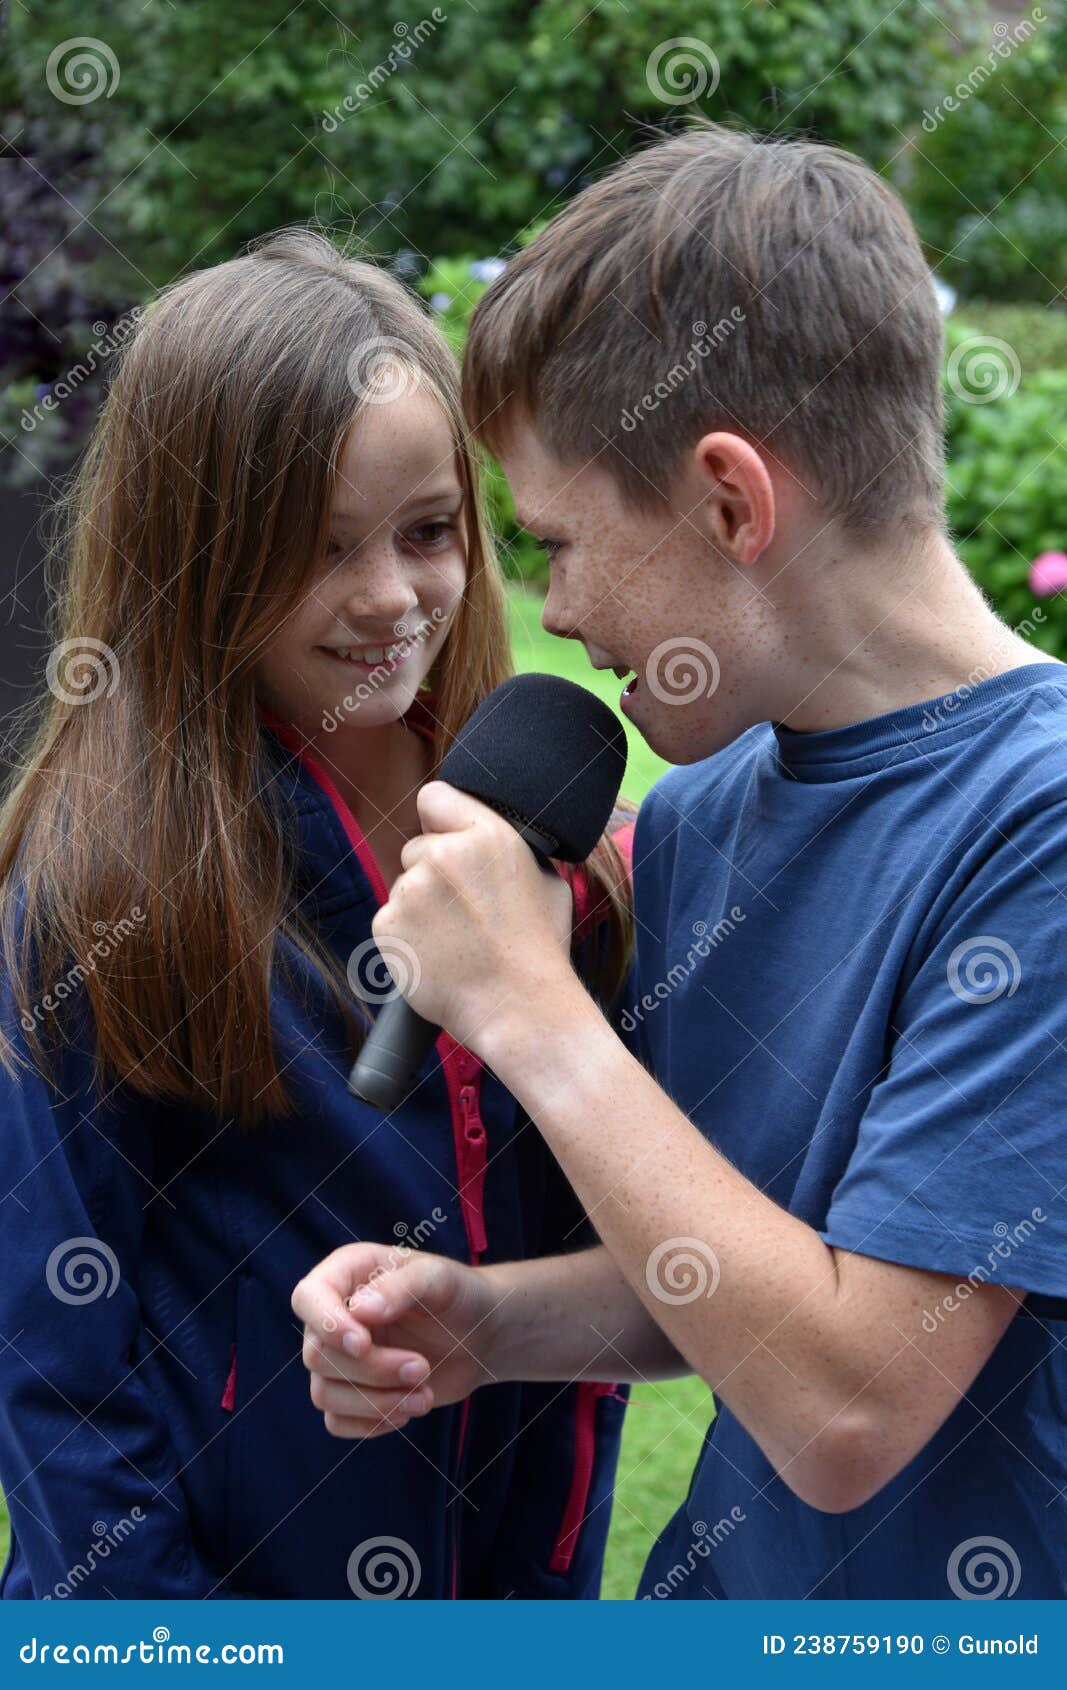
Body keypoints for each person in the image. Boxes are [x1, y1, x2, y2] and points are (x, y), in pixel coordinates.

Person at [293, 123, 1067, 1600]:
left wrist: (532, 1009)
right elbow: (745, 1271)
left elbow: (849, 1399)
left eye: (561, 542)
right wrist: (490, 1321)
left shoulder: (1039, 827)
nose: (554, 608)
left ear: (732, 502)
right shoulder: (710, 815)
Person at [0, 229, 634, 1600]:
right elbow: (54, 1364)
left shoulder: (546, 841)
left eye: (428, 531)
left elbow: (613, 1276)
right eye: (318, 547)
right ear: (196, 554)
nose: (391, 597)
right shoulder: (101, 885)